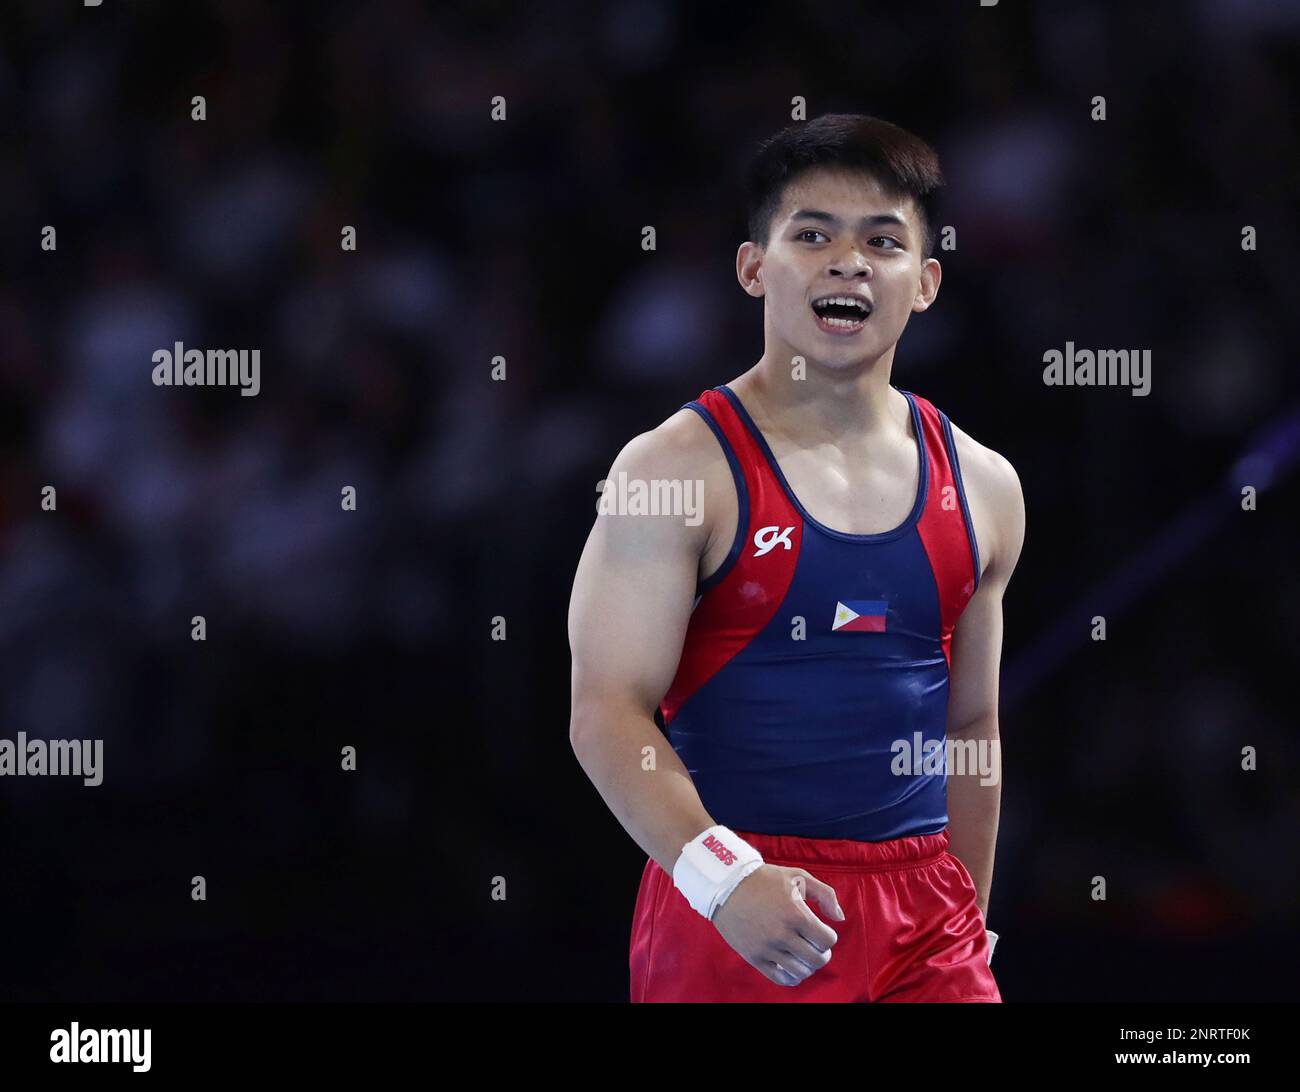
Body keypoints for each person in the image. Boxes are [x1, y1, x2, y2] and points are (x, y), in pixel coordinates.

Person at [568, 114, 1025, 1002]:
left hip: (928, 921)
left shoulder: (984, 485)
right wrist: (723, 879)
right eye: (811, 234)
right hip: (735, 902)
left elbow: (970, 729)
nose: (847, 261)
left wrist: (972, 917)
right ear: (753, 268)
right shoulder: (674, 470)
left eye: (882, 242)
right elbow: (606, 713)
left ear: (925, 283)